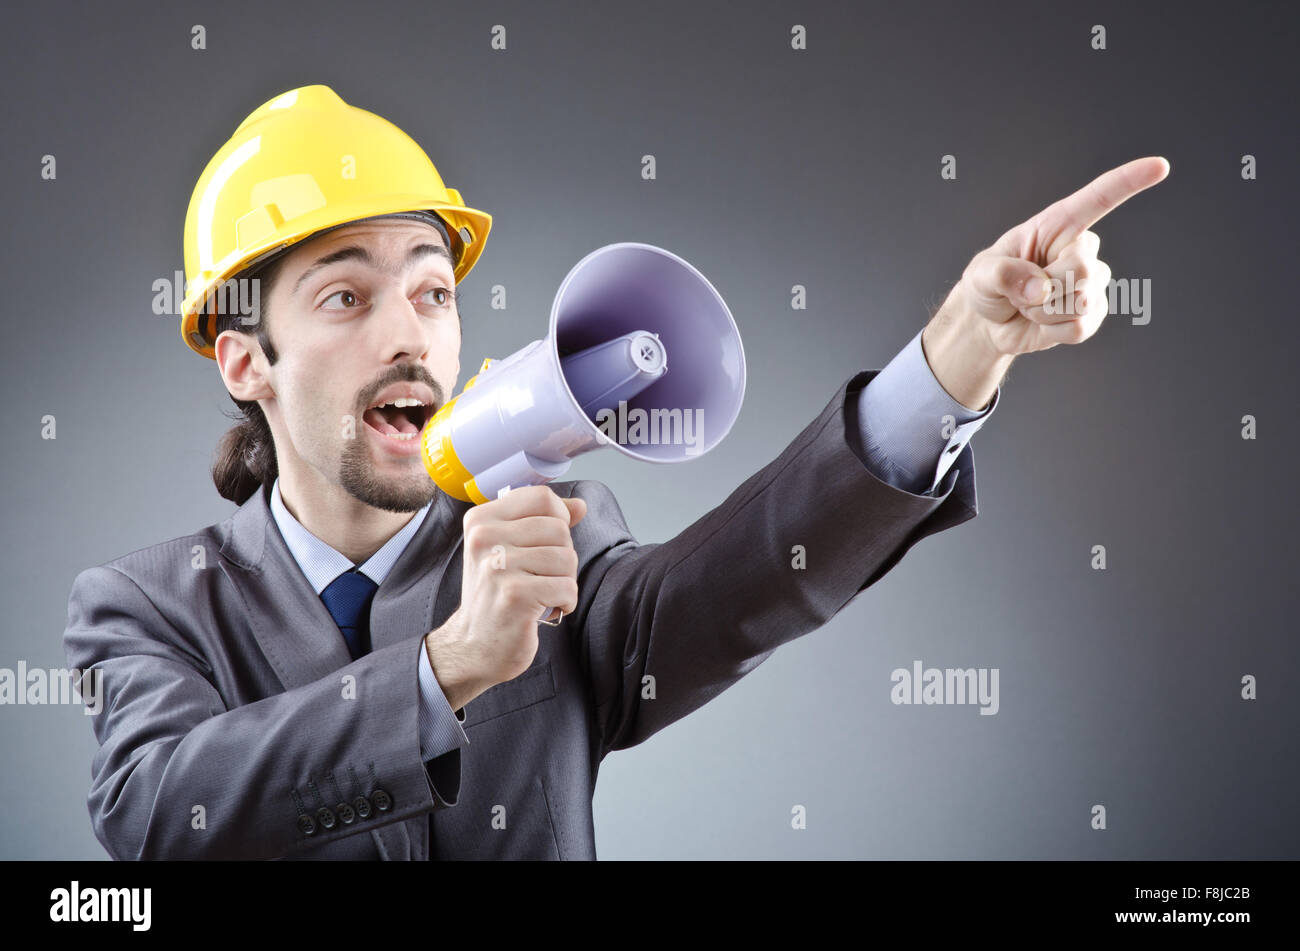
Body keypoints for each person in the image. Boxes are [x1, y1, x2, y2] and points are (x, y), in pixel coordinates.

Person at [63, 84, 1168, 859]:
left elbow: (747, 583)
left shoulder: (556, 534)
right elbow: (160, 816)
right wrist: (442, 670)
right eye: (347, 296)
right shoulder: (150, 604)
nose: (412, 335)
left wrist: (956, 356)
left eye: (433, 290)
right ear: (246, 359)